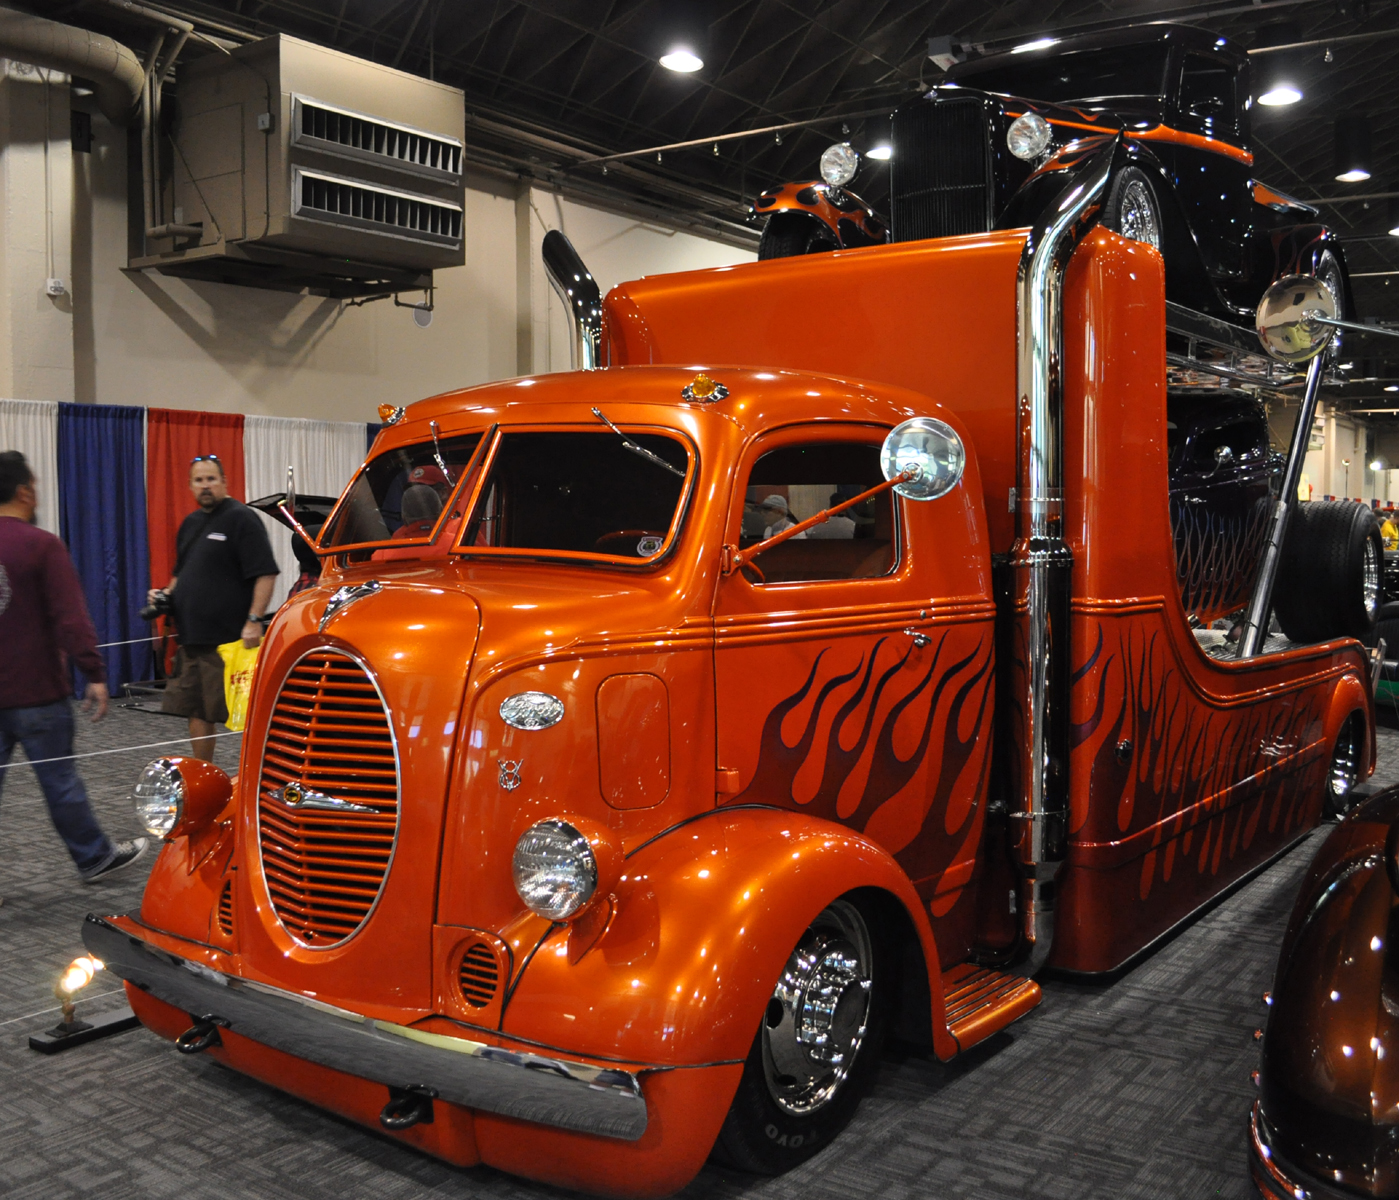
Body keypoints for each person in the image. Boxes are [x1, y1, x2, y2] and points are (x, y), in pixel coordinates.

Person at [0, 451, 147, 882]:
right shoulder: (42, 545)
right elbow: (71, 617)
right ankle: (93, 857)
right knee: (60, 783)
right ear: (25, 492)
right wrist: (95, 673)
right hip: (39, 693)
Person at [151, 455, 278, 761]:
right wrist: (164, 595)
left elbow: (265, 572)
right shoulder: (191, 524)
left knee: (247, 716)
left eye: (211, 479)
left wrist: (254, 620)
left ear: (224, 482)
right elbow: (180, 574)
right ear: (190, 486)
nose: (205, 486)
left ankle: (254, 779)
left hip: (231, 643)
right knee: (197, 710)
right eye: (199, 480)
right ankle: (203, 772)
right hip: (192, 639)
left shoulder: (242, 519)